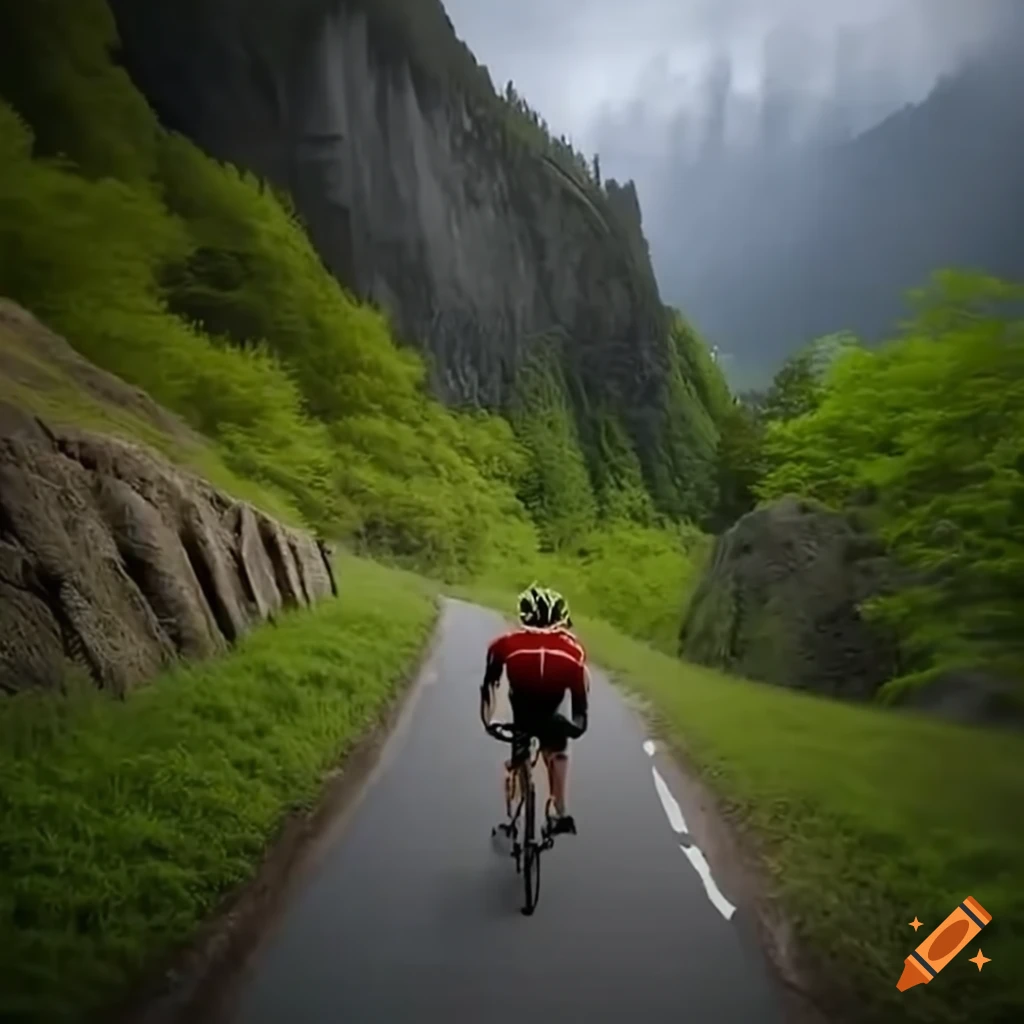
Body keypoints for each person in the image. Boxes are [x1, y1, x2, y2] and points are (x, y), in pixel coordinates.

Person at [480, 583, 589, 836]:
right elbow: (580, 702)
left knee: (520, 740)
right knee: (560, 749)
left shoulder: (504, 644)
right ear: (560, 620)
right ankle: (560, 810)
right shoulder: (573, 649)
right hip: (553, 715)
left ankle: (514, 815)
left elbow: (489, 686)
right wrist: (577, 726)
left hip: (523, 713)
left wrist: (489, 721)